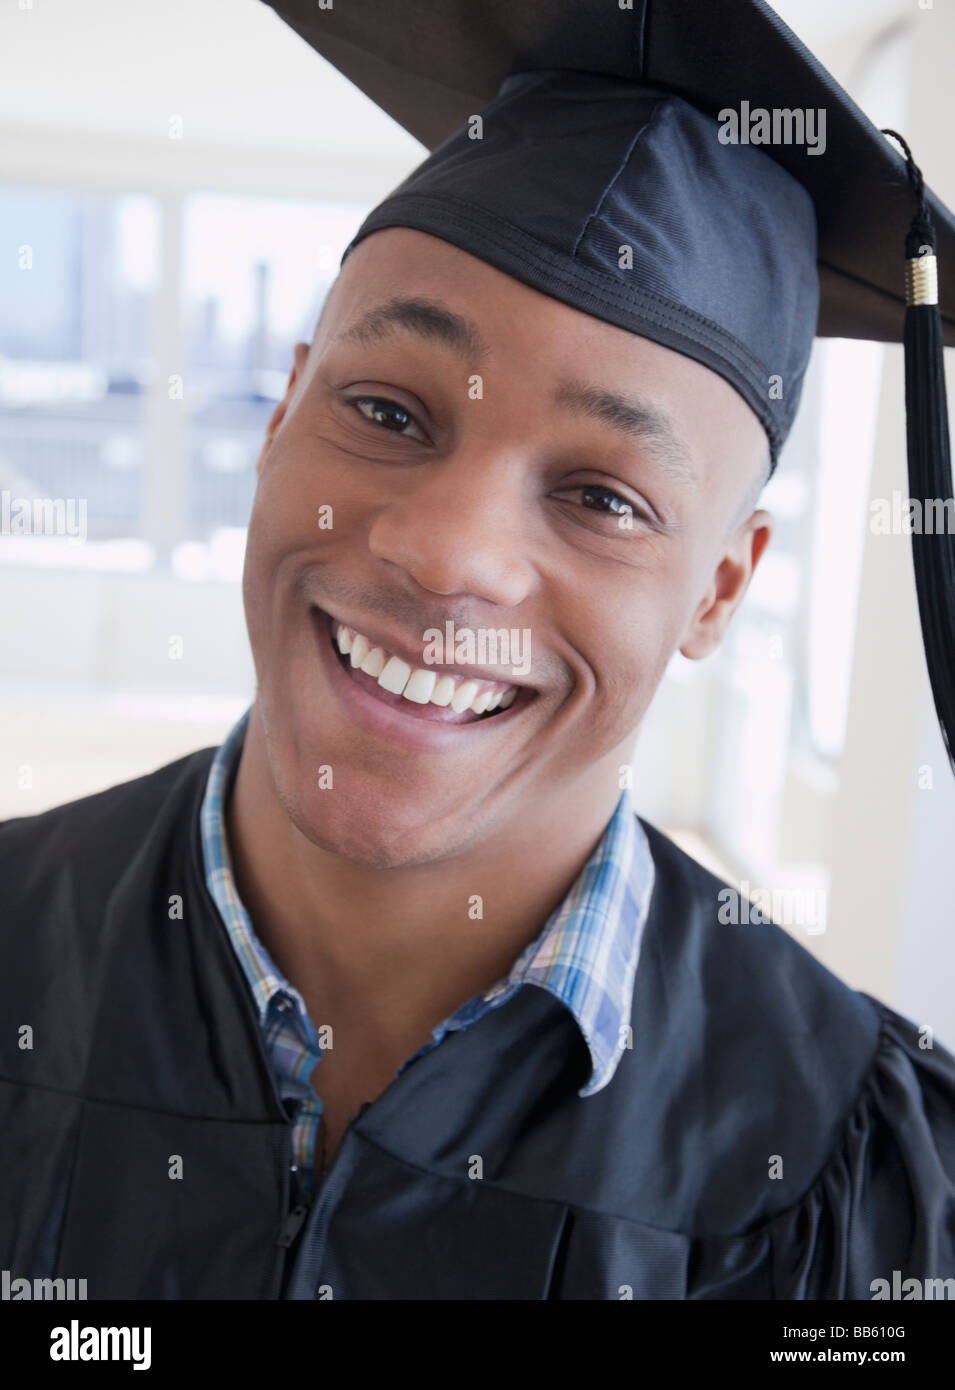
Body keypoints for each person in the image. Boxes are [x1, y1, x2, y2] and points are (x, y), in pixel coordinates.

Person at [1, 0, 954, 1300]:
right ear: (283, 413)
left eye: (603, 496)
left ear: (718, 590)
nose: (446, 552)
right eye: (387, 409)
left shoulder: (849, 1173)